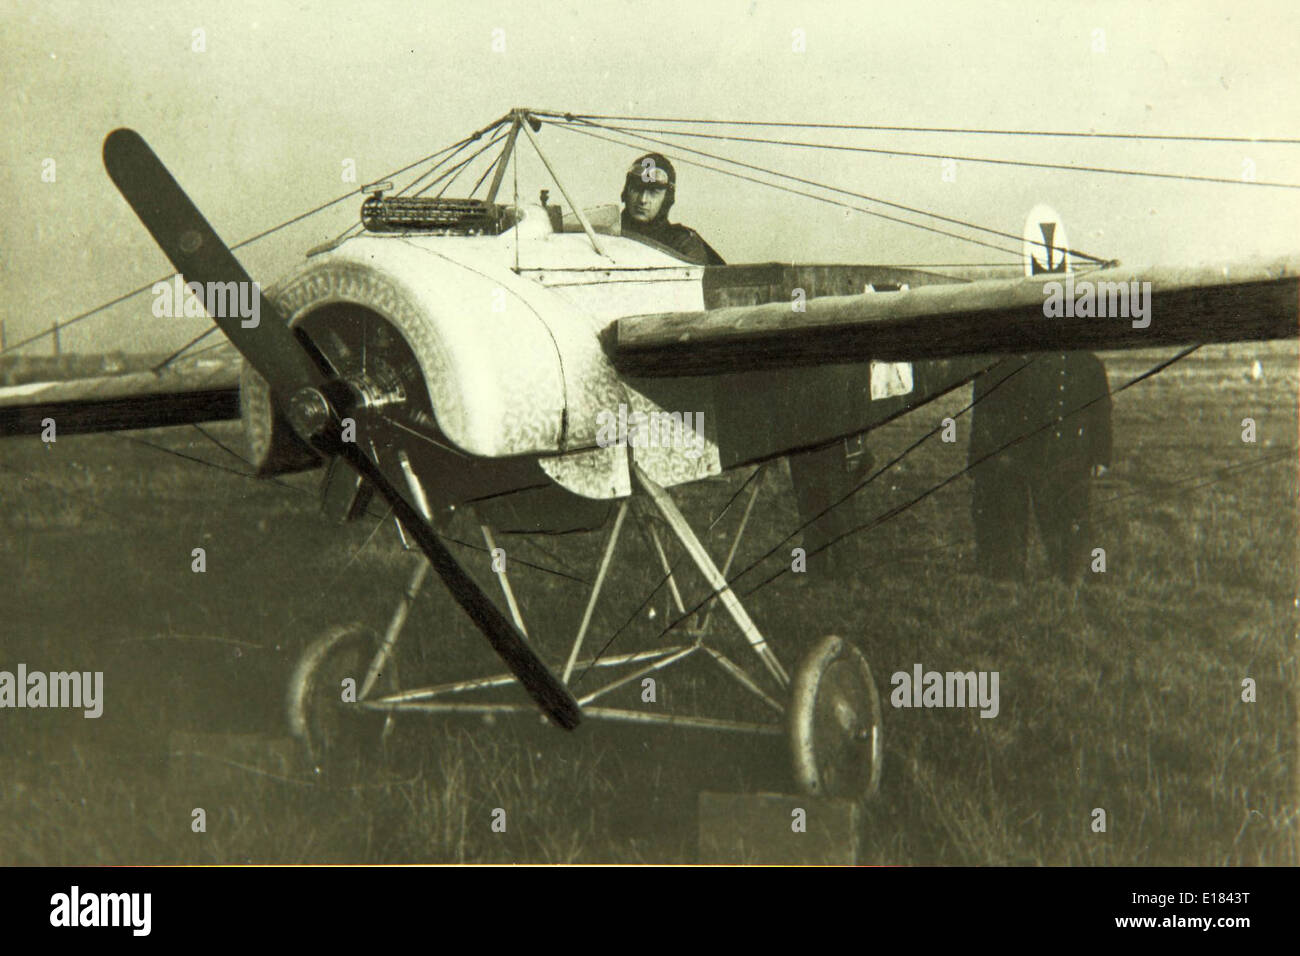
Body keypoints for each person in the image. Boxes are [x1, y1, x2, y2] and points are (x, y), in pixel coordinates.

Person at [968, 351, 1112, 583]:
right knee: (1006, 517)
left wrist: (1101, 455)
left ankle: (1074, 577)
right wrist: (979, 459)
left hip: (1069, 455)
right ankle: (1004, 578)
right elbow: (983, 411)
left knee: (1069, 518)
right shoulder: (998, 364)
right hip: (1010, 456)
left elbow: (1101, 411)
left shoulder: (1087, 364)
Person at [619, 153, 725, 265]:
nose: (643, 200)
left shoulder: (682, 244)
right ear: (627, 190)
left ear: (666, 198)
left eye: (653, 192)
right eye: (637, 189)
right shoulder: (603, 233)